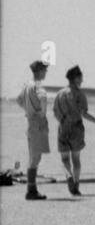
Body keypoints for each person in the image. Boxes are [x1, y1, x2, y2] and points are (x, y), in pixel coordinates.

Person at [53, 65, 95, 195]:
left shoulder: (60, 94)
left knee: (64, 159)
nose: (82, 80)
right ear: (76, 78)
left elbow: (55, 112)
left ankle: (69, 177)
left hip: (63, 127)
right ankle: (76, 184)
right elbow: (84, 114)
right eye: (81, 77)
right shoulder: (80, 94)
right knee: (76, 159)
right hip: (77, 128)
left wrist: (63, 121)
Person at [17, 59, 51, 200]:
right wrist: (40, 113)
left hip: (30, 123)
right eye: (44, 69)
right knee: (35, 158)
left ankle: (32, 189)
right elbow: (43, 103)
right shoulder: (38, 87)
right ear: (39, 71)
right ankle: (31, 190)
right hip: (37, 124)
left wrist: (28, 111)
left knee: (33, 157)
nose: (46, 72)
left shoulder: (27, 85)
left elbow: (19, 100)